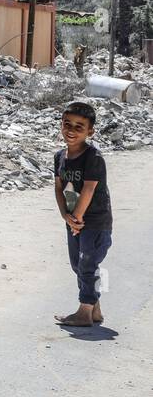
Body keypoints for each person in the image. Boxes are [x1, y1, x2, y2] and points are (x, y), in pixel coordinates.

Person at [53, 101, 113, 328]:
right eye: (67, 124)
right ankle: (94, 309)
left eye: (79, 126)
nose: (71, 130)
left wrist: (77, 219)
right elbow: (59, 188)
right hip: (73, 221)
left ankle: (84, 311)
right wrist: (65, 216)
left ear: (90, 131)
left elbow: (88, 190)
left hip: (95, 222)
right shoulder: (60, 157)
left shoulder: (93, 157)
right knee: (77, 265)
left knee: (87, 264)